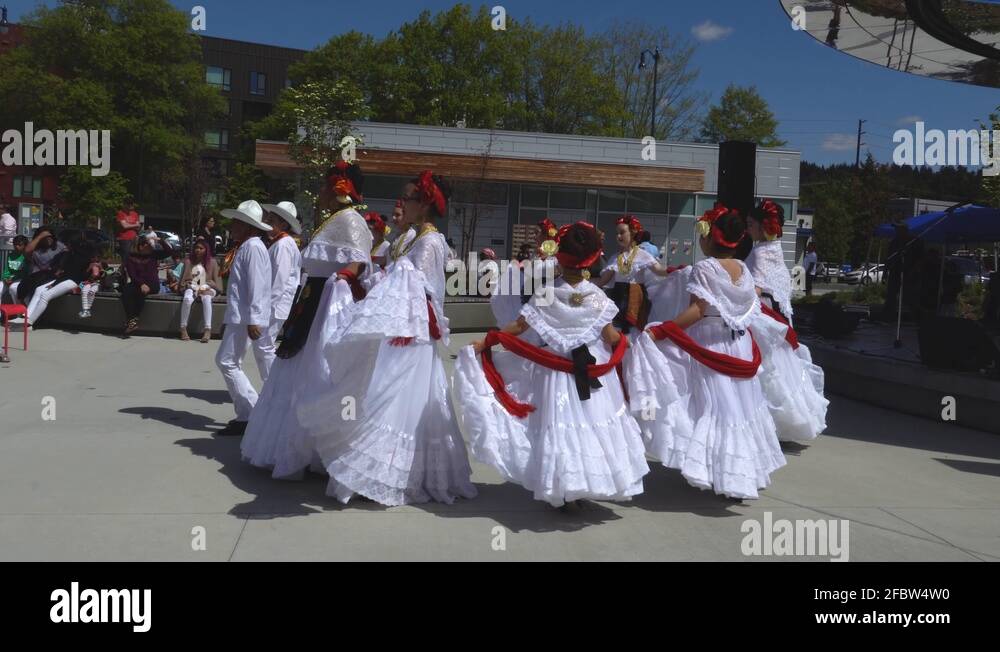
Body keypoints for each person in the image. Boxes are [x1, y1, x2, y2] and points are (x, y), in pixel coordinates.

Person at [295, 171, 477, 506]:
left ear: (422, 205)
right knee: (378, 394)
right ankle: (373, 471)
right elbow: (393, 279)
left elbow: (426, 291)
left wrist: (391, 284)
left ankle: (389, 473)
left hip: (412, 336)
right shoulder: (407, 237)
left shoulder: (430, 242)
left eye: (407, 198)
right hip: (396, 329)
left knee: (391, 398)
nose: (401, 203)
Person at [457, 221, 650, 509]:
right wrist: (629, 343)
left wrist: (487, 341)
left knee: (559, 427)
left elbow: (520, 325)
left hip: (554, 372)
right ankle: (582, 484)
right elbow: (610, 336)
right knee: (589, 427)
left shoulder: (547, 292)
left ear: (559, 255)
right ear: (593, 257)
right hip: (591, 372)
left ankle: (562, 486)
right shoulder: (597, 296)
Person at [643, 203, 785, 500]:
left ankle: (723, 471)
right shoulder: (743, 269)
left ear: (708, 238)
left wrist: (662, 330)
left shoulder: (705, 268)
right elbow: (749, 306)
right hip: (739, 342)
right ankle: (740, 469)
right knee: (739, 405)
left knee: (715, 405)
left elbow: (697, 310)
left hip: (710, 340)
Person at [242, 160, 373, 477]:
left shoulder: (350, 220)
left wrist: (341, 279)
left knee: (315, 375)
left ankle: (315, 450)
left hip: (324, 307)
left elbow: (360, 262)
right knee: (293, 374)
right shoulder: (334, 220)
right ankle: (290, 448)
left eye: (325, 186)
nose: (319, 193)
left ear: (338, 189)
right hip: (310, 305)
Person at [745, 199, 827, 443]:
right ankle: (776, 423)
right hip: (777, 314)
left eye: (750, 224)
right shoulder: (775, 248)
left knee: (766, 368)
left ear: (762, 226)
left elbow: (756, 289)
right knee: (780, 368)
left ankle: (766, 423)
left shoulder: (760, 252)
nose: (747, 228)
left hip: (764, 314)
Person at [214, 200, 272, 437]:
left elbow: (257, 286)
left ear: (248, 226)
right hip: (241, 316)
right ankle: (248, 413)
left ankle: (249, 413)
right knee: (228, 361)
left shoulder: (253, 248)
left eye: (237, 222)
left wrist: (254, 319)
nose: (232, 226)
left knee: (227, 361)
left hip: (245, 317)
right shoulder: (248, 246)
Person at [255, 201, 303, 381]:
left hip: (275, 305)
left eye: (272, 219)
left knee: (264, 345)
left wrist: (266, 308)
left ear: (283, 224)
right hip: (277, 304)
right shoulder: (282, 243)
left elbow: (279, 282)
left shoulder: (283, 245)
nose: (267, 222)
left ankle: (273, 386)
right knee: (264, 345)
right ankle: (274, 385)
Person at [120, 234, 174, 335]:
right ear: (140, 247)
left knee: (140, 292)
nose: (150, 246)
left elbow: (169, 252)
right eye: (147, 245)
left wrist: (160, 241)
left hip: (152, 283)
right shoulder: (130, 257)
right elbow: (132, 274)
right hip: (137, 282)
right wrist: (141, 284)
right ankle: (131, 320)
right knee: (127, 291)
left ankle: (132, 321)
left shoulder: (153, 254)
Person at [178, 238, 223, 343]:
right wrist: (192, 286)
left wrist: (205, 286)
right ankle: (183, 327)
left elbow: (217, 283)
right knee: (187, 298)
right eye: (196, 248)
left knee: (206, 298)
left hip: (208, 286)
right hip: (192, 286)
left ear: (206, 250)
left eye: (201, 248)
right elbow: (184, 281)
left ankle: (207, 329)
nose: (198, 250)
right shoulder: (189, 261)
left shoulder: (212, 262)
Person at [1, 235, 28, 303]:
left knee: (13, 288)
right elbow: (7, 270)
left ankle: (18, 311)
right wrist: (5, 278)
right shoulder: (11, 255)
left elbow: (26, 272)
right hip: (9, 279)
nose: (16, 246)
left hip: (21, 280)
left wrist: (13, 279)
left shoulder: (26, 256)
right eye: (15, 244)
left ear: (25, 245)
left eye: (19, 245)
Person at [78, 251, 104, 318]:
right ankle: (86, 310)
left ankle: (87, 310)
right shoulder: (87, 264)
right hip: (87, 282)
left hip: (97, 283)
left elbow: (105, 275)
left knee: (91, 292)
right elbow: (83, 276)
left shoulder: (102, 264)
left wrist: (101, 269)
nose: (95, 259)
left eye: (97, 258)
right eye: (93, 258)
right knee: (84, 291)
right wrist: (89, 268)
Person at [116, 200, 141, 266]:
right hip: (124, 238)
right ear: (124, 205)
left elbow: (138, 226)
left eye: (131, 204)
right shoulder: (121, 213)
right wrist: (134, 225)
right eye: (128, 204)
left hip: (134, 238)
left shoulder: (135, 214)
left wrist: (129, 225)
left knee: (135, 256)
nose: (130, 205)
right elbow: (124, 226)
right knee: (126, 257)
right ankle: (123, 272)